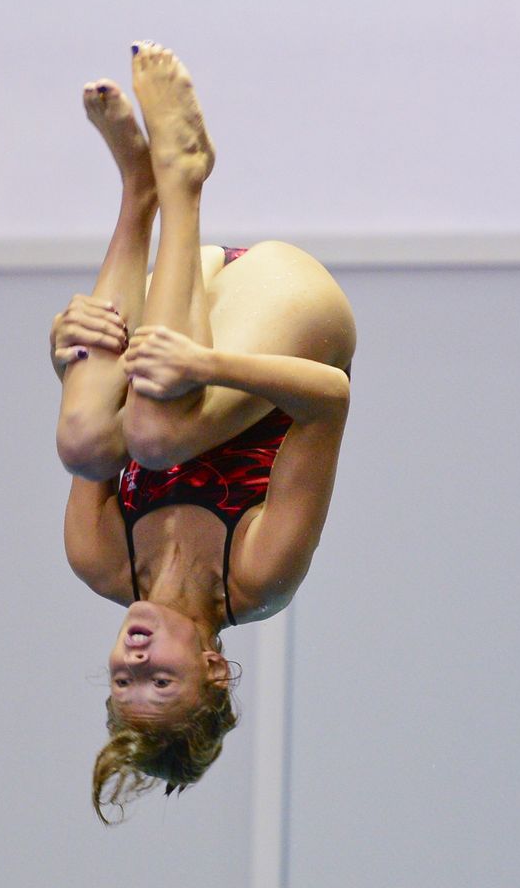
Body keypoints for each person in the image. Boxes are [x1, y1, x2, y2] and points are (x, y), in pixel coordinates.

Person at [50, 43, 356, 822]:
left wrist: (67, 349)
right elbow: (330, 397)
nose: (136, 658)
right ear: (215, 670)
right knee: (157, 435)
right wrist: (212, 359)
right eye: (161, 680)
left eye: (123, 679)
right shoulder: (259, 573)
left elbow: (98, 398)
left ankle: (139, 193)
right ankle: (183, 176)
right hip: (281, 309)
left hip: (179, 300)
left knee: (87, 439)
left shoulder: (97, 558)